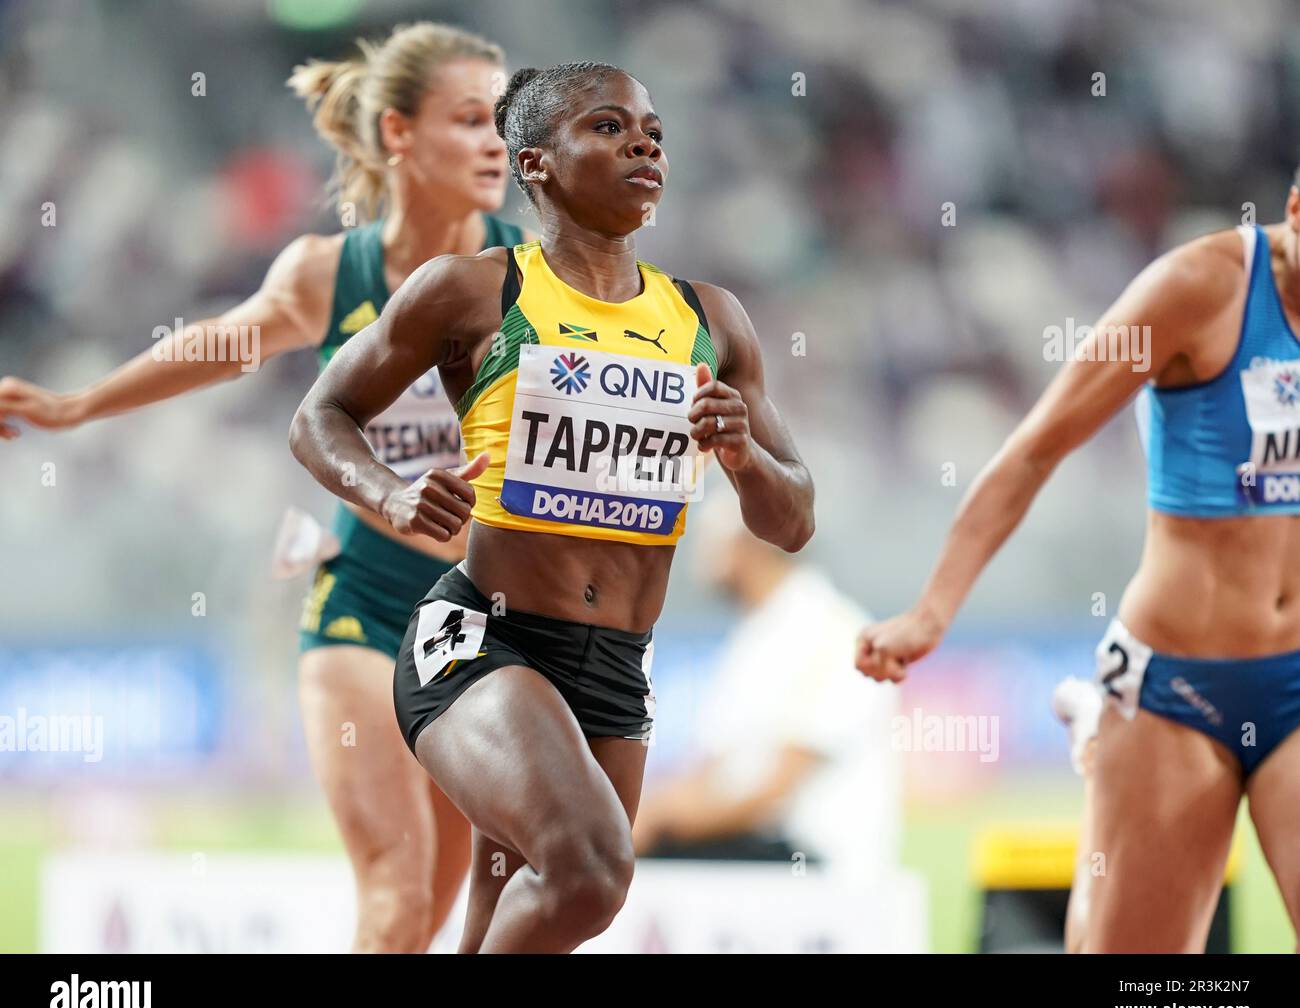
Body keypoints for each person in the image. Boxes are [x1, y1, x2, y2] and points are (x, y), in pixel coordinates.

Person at [0, 22, 530, 953]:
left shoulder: (541, 272)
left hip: (487, 617)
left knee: (439, 920)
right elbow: (220, 341)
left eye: (506, 120)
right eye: (471, 119)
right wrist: (78, 405)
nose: (500, 144)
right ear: (400, 134)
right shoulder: (332, 272)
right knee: (396, 901)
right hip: (362, 603)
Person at [288, 60, 815, 954]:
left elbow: (792, 520)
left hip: (615, 670)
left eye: (652, 130)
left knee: (518, 917)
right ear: (532, 163)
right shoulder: (473, 290)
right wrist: (390, 492)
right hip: (482, 640)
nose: (643, 142)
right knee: (591, 872)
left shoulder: (711, 320)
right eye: (608, 127)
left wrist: (742, 453)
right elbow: (320, 416)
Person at [856, 195, 1300, 953]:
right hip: (1179, 691)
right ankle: (1108, 737)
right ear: (1294, 209)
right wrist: (932, 611)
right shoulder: (1198, 287)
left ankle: (1102, 741)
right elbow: (1036, 446)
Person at [633, 488, 900, 881]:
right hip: (763, 843)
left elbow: (777, 788)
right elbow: (712, 771)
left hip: (813, 859)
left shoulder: (829, 630)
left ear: (750, 546)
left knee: (635, 862)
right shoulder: (760, 633)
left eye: (713, 540)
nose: (701, 554)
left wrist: (660, 823)